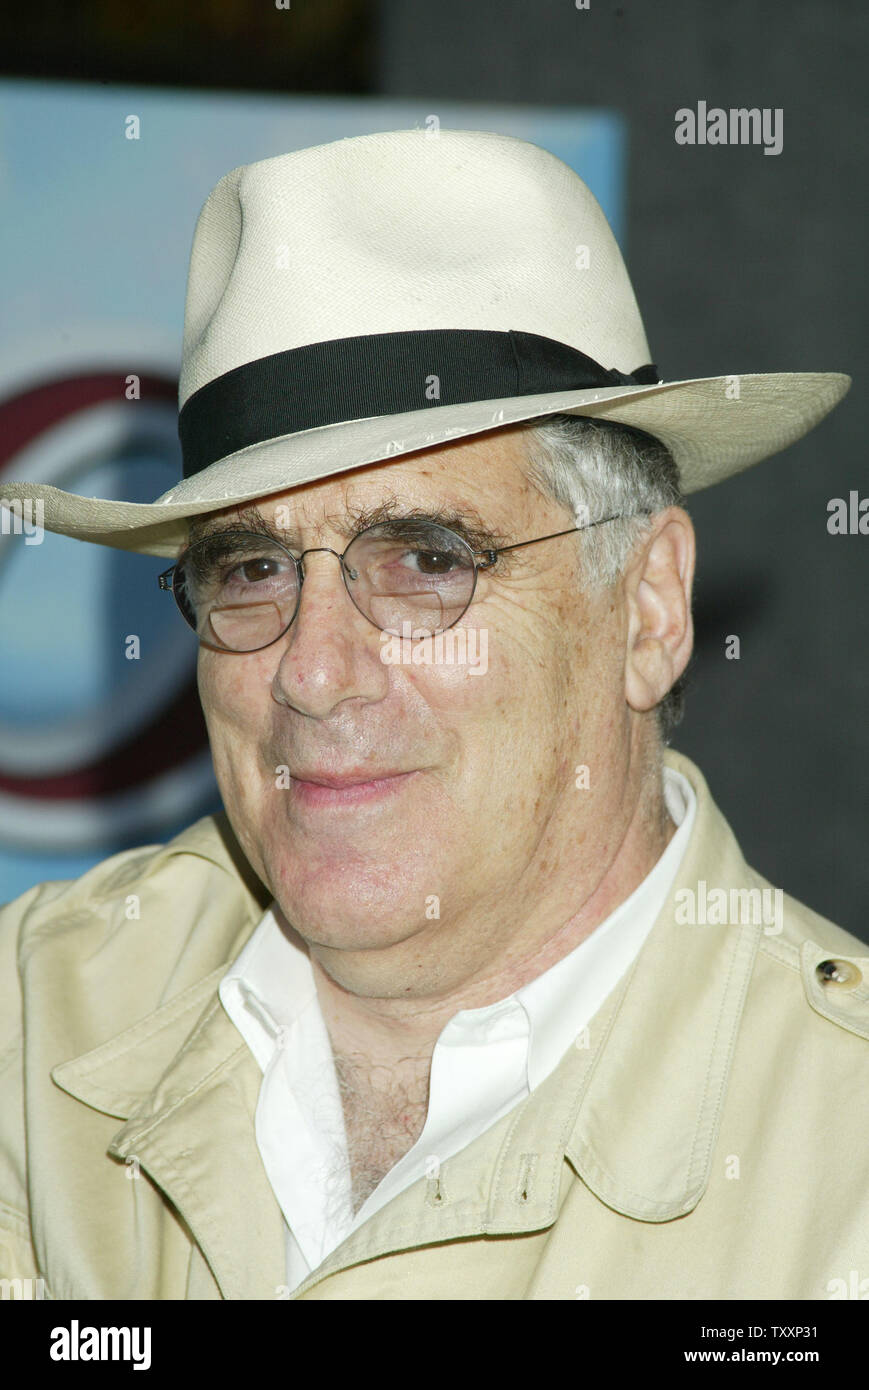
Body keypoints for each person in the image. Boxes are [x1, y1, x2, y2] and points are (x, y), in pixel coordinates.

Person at [1, 128, 865, 1301]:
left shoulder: (840, 1159)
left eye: (422, 557)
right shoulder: (34, 1025)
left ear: (649, 609)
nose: (311, 672)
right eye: (251, 568)